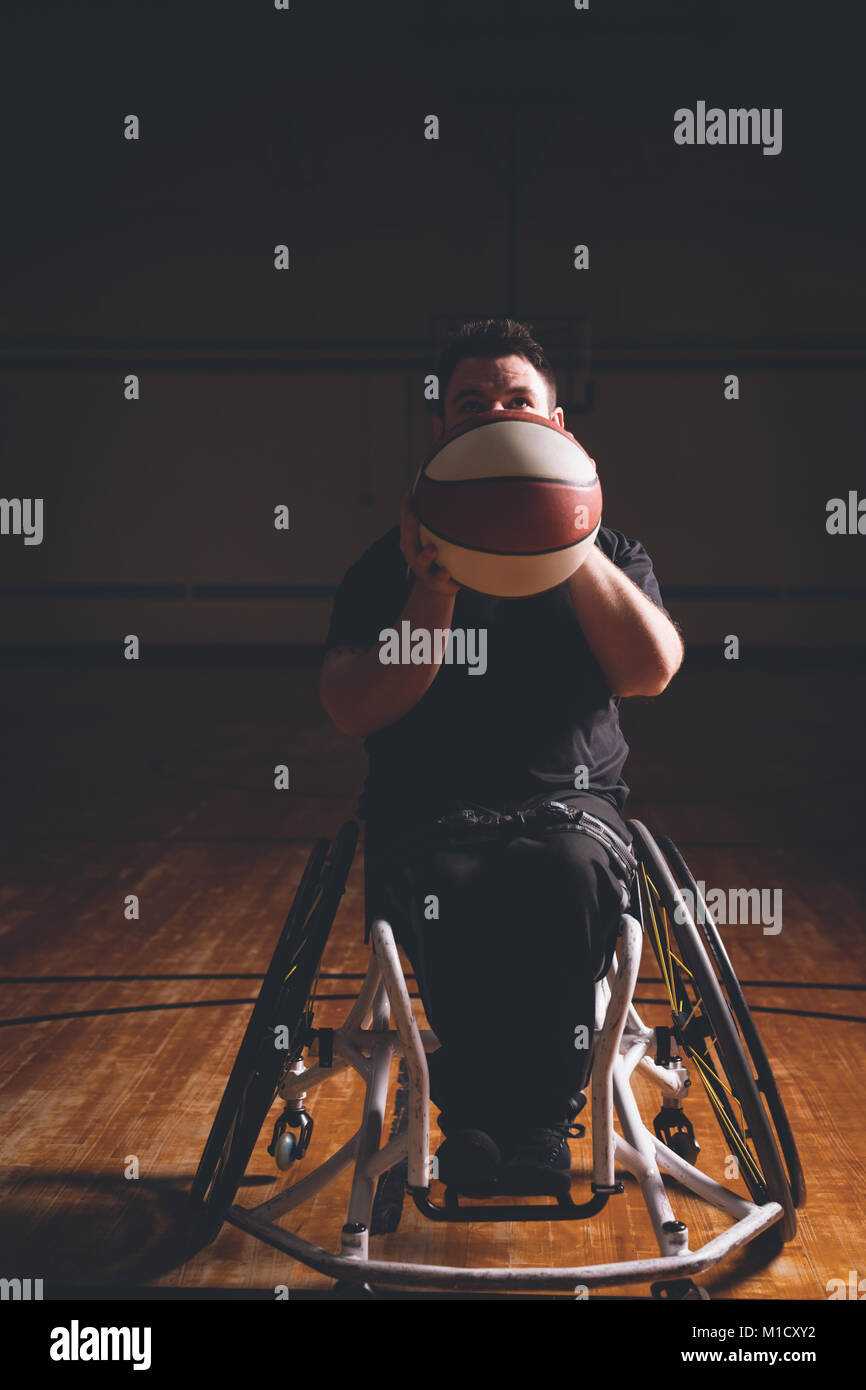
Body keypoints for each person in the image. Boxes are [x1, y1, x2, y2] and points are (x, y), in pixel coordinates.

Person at [319, 319, 683, 1197]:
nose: (495, 411)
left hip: (573, 816)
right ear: (443, 432)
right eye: (471, 402)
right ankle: (474, 1121)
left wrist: (572, 537)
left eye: (518, 399)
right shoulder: (390, 566)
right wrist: (432, 587)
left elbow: (650, 671)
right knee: (454, 888)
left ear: (556, 427)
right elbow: (352, 705)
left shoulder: (615, 551)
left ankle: (543, 1125)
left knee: (560, 871)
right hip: (433, 819)